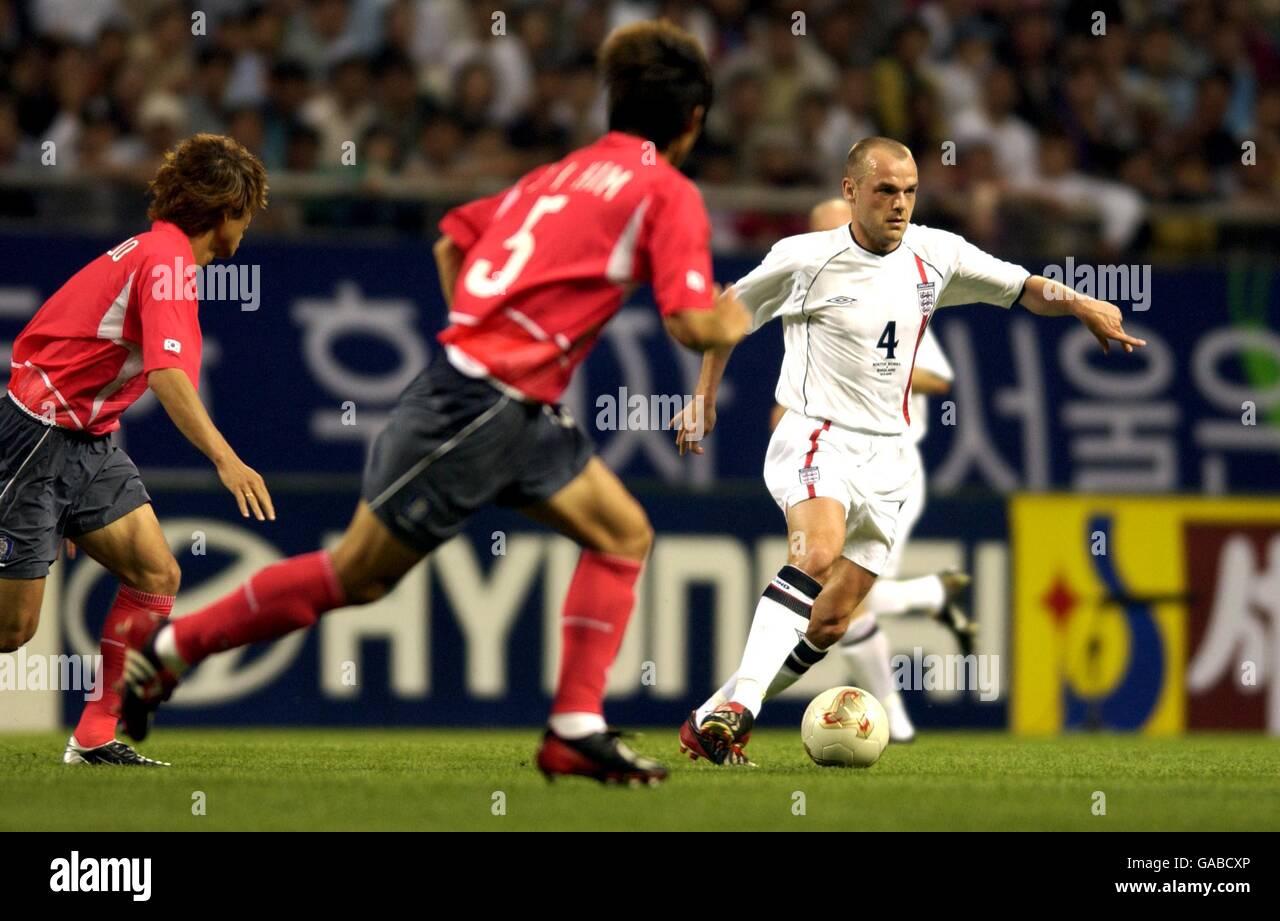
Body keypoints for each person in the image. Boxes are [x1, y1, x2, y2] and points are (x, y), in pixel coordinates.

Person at [117, 20, 751, 786]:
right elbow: (689, 323)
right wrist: (734, 319)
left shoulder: (559, 173)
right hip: (478, 406)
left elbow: (452, 239)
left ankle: (574, 728)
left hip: (500, 400)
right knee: (357, 575)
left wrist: (478, 335)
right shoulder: (667, 191)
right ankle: (171, 650)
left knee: (622, 532)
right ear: (693, 122)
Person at [675, 136, 1144, 765]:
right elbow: (727, 314)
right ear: (850, 192)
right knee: (817, 552)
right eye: (885, 191)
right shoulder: (806, 258)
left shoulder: (936, 253)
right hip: (817, 433)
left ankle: (710, 719)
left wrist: (1081, 301)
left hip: (889, 458)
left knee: (834, 620)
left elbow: (1022, 287)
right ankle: (745, 707)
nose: (900, 204)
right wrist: (703, 398)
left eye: (909, 191)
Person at [0, 134, 272, 766]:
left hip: (83, 439)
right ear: (225, 209)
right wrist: (226, 459)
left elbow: (75, 347)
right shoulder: (169, 262)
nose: (250, 226)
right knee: (12, 632)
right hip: (38, 437)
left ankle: (94, 738)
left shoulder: (156, 253)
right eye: (248, 211)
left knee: (157, 575)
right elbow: (169, 377)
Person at [752, 197, 975, 745]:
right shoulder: (808, 284)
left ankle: (896, 701)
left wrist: (871, 368)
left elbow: (940, 379)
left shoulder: (901, 286)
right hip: (832, 451)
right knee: (831, 591)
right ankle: (895, 707)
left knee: (846, 597)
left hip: (889, 460)